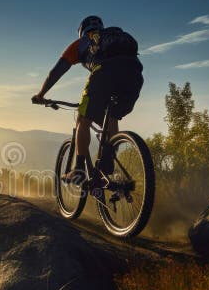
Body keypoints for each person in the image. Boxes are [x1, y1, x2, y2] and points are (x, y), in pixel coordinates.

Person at [32, 15, 143, 182]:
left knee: (83, 120)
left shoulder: (81, 43)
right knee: (111, 116)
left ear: (82, 31)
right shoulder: (115, 38)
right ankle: (108, 160)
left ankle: (78, 170)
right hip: (134, 74)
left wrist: (41, 95)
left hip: (105, 73)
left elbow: (55, 73)